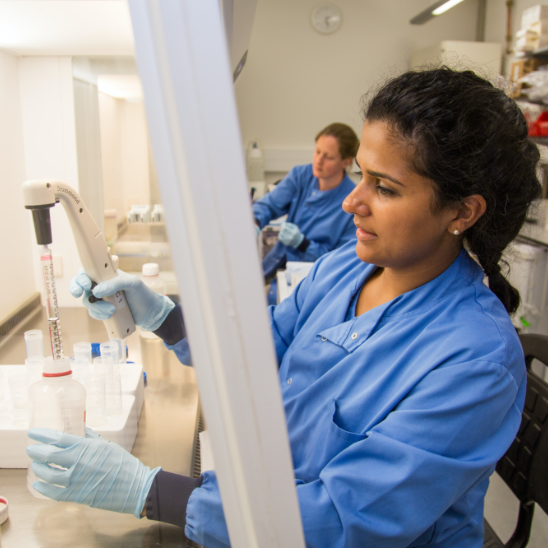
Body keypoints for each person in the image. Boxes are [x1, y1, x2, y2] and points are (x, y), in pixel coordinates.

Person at [27, 67, 541, 547]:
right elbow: (259, 352)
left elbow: (344, 518)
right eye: (360, 174)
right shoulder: (346, 267)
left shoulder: (476, 361)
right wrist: (164, 316)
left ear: (463, 210)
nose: (351, 201)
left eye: (383, 188)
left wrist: (148, 491)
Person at [253, 123, 358, 304]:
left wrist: (303, 244)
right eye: (317, 152)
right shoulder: (301, 176)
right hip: (274, 267)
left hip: (310, 284)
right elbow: (269, 205)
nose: (318, 160)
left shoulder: (351, 203)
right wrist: (253, 222)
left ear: (346, 162)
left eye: (328, 156)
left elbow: (339, 261)